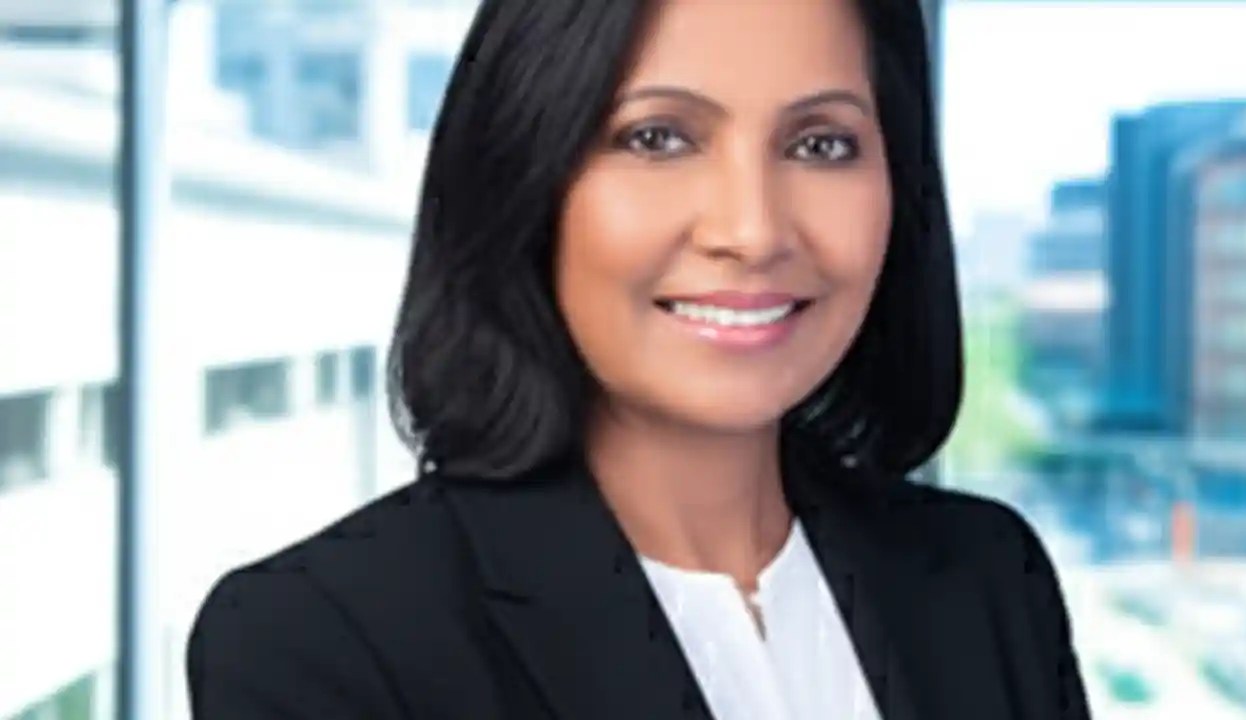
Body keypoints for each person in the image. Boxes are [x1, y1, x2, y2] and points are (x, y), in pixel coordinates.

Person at [186, 0, 1093, 718]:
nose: (753, 230)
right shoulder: (325, 640)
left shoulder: (985, 579)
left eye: (822, 144)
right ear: (527, 176)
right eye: (658, 137)